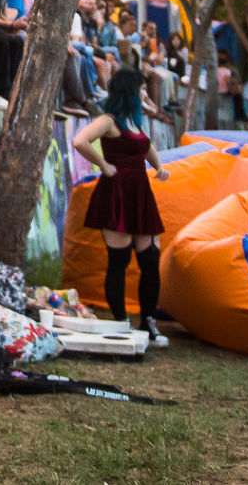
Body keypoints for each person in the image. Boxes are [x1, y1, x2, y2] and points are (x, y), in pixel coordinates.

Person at [71, 69, 172, 345]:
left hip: (140, 192)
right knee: (119, 261)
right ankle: (120, 321)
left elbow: (145, 146)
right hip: (116, 192)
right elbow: (79, 141)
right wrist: (104, 165)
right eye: (142, 89)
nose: (145, 93)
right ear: (130, 90)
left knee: (150, 260)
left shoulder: (135, 121)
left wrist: (159, 167)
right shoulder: (108, 120)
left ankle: (148, 322)